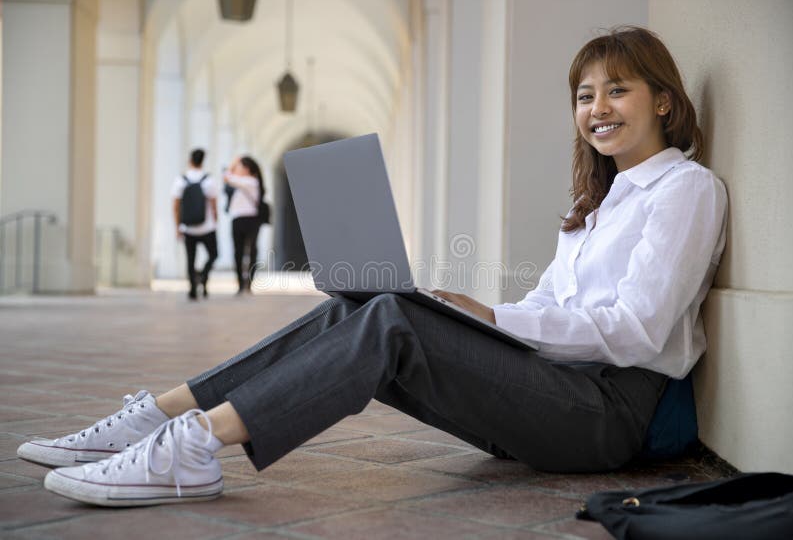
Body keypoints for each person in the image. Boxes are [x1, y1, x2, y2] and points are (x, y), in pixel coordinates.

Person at [17, 26, 727, 507]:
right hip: (550, 393)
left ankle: (197, 449)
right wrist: (467, 315)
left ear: (663, 99)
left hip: (605, 417)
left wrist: (495, 318)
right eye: (584, 95)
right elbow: (550, 301)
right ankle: (161, 417)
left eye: (617, 91)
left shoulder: (685, 191)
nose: (597, 109)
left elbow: (636, 331)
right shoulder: (593, 203)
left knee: (391, 320)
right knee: (366, 303)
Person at [171, 148, 218, 300]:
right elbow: (213, 205)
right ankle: (203, 276)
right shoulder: (208, 180)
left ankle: (192, 290)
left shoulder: (181, 180)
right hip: (207, 227)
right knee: (214, 255)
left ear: (190, 160)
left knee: (190, 260)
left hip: (188, 227)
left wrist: (177, 227)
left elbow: (176, 206)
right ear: (202, 161)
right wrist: (215, 221)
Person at [224, 155, 265, 294]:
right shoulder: (243, 182)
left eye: (240, 166)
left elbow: (227, 177)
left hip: (250, 219)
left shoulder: (251, 181)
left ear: (247, 169)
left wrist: (233, 163)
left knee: (249, 251)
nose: (237, 169)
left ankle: (247, 282)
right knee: (239, 252)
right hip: (238, 218)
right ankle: (242, 283)